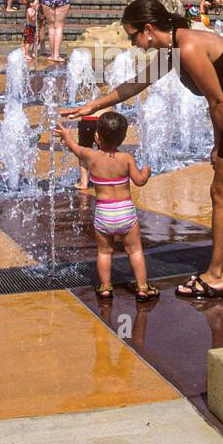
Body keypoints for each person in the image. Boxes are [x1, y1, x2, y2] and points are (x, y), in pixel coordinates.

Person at [63, 0, 223, 300]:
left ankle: (215, 276)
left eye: (133, 35)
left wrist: (218, 146)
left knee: (221, 192)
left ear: (148, 29)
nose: (133, 43)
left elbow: (217, 101)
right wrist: (94, 104)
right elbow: (136, 84)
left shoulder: (187, 48)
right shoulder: (173, 49)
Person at [57, 111, 158, 302]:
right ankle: (143, 288)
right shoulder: (126, 158)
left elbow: (74, 148)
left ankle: (105, 287)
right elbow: (139, 181)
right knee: (135, 250)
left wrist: (66, 136)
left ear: (96, 135)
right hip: (125, 212)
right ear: (123, 137)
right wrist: (146, 172)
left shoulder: (90, 156)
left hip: (104, 213)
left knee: (104, 252)